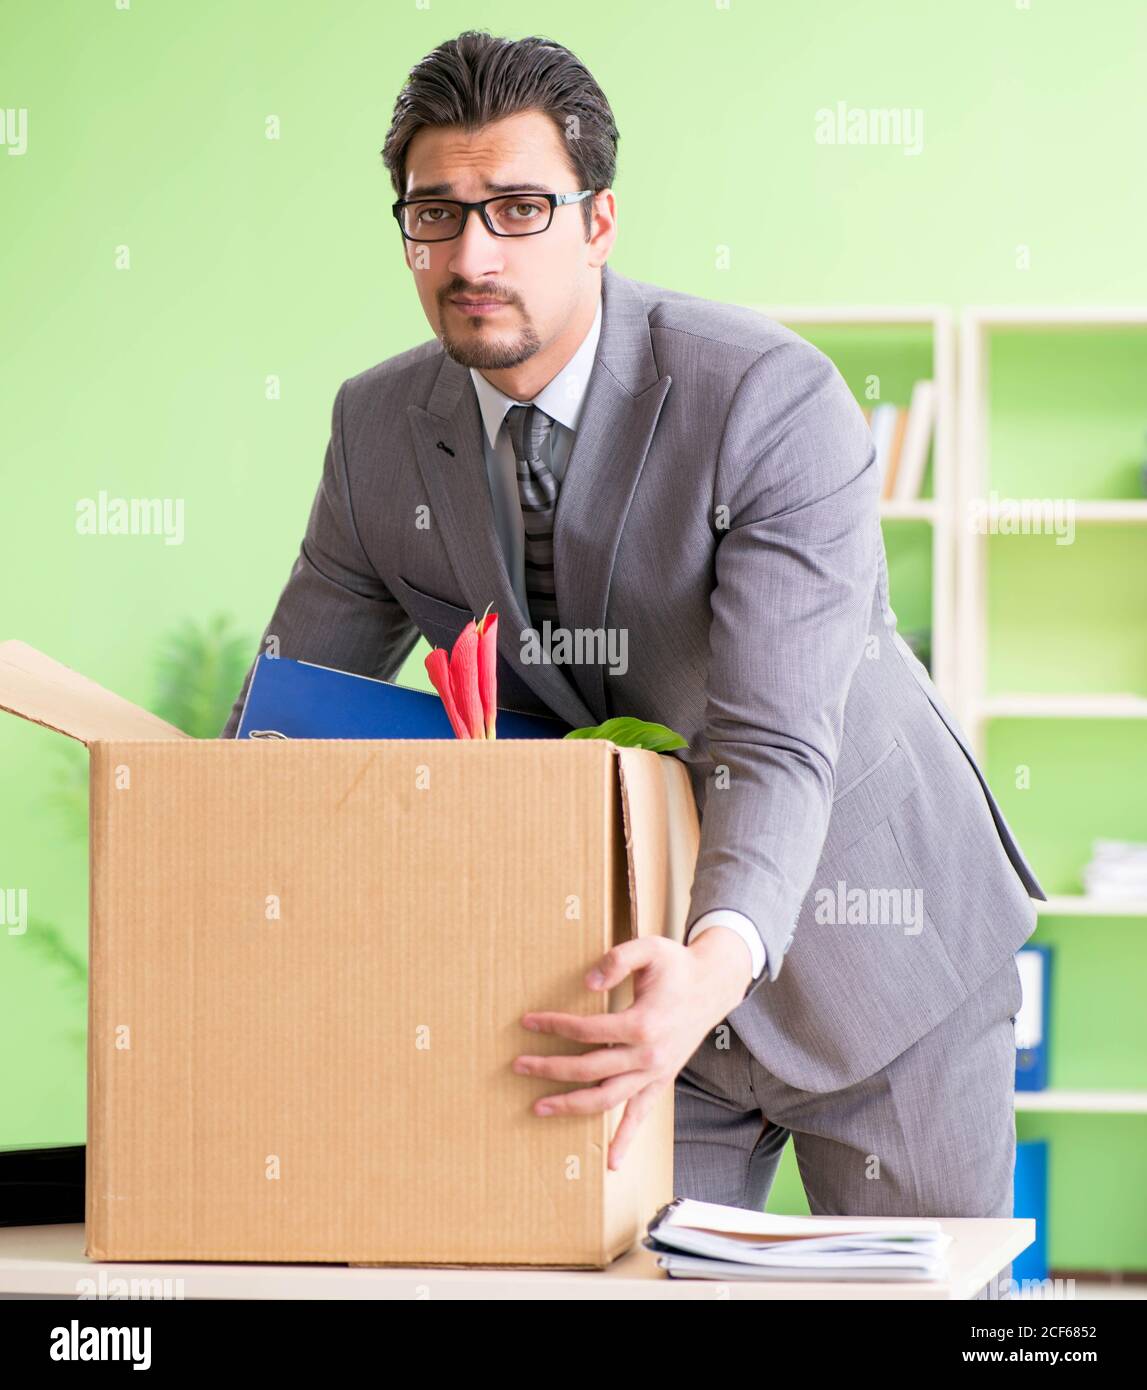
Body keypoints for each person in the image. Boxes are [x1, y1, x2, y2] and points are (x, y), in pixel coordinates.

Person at [221, 29, 1044, 1299]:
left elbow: (771, 738)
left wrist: (711, 962)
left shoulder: (765, 398)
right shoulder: (377, 430)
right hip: (623, 987)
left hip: (880, 953)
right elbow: (281, 726)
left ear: (597, 220)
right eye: (435, 213)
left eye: (518, 207)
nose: (471, 254)